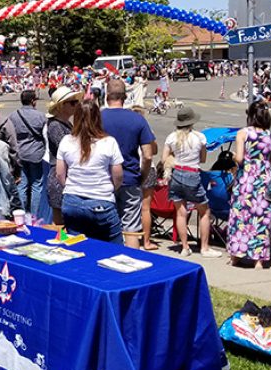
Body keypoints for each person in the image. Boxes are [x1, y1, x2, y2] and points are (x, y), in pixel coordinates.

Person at [55, 98, 124, 242]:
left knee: (76, 245)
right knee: (114, 249)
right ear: (98, 118)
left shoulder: (66, 141)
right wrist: (110, 189)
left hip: (72, 200)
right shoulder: (109, 142)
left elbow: (60, 174)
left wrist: (71, 186)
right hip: (101, 200)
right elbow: (118, 176)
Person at [101, 79, 155, 248]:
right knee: (131, 229)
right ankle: (131, 261)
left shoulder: (97, 118)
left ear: (107, 96)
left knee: (106, 227)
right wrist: (142, 176)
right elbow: (148, 155)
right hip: (130, 178)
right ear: (125, 97)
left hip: (103, 179)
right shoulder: (137, 119)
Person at [227, 100, 271, 268]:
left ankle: (236, 255)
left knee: (240, 216)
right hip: (263, 180)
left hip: (246, 180)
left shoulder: (243, 133)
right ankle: (259, 260)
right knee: (261, 218)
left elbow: (240, 159)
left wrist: (234, 156)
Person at [162, 106, 221, 258]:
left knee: (181, 212)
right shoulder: (199, 137)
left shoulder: (171, 137)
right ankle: (204, 248)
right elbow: (203, 159)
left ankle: (185, 246)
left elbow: (164, 159)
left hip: (176, 173)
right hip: (192, 173)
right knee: (204, 211)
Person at [0, 89, 49, 224]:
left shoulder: (14, 116)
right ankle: (34, 216)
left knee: (22, 185)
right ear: (33, 101)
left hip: (20, 154)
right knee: (37, 185)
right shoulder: (41, 116)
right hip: (36, 153)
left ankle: (21, 215)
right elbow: (45, 135)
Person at [45, 86, 80, 225]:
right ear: (61, 106)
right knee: (60, 222)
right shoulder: (55, 125)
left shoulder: (67, 123)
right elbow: (67, 150)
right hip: (59, 176)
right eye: (72, 102)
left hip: (67, 174)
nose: (76, 105)